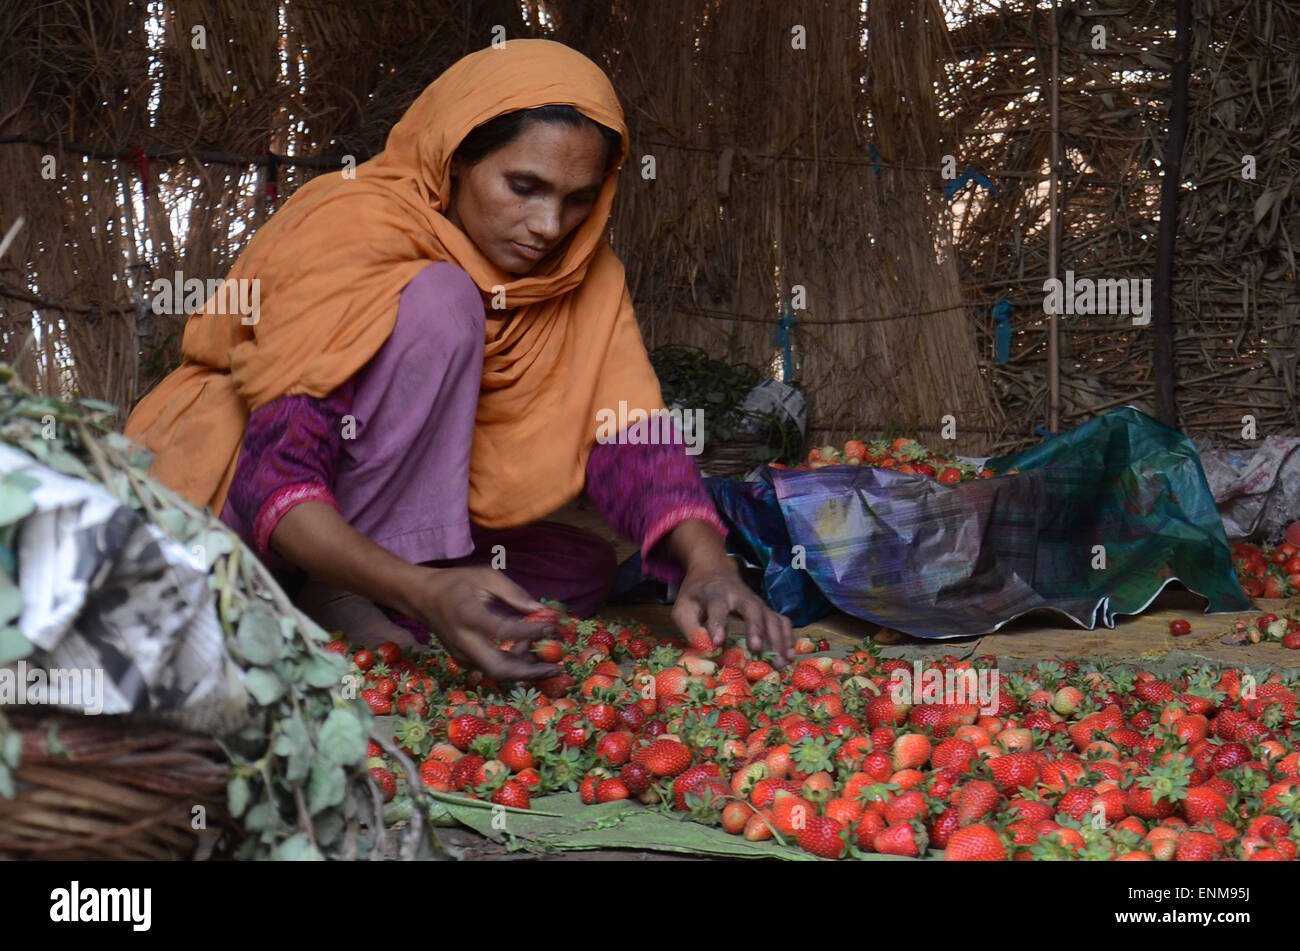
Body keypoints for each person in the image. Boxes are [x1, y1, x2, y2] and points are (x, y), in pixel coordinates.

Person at [125, 39, 794, 681]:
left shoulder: (582, 275)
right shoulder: (350, 229)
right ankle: (341, 592)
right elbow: (277, 476)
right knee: (444, 301)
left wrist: (711, 565)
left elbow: (626, 436)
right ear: (454, 162)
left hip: (375, 527)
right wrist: (421, 587)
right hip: (245, 495)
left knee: (578, 572)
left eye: (578, 198)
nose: (549, 226)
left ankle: (363, 592)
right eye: (524, 186)